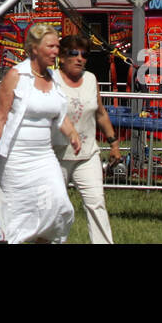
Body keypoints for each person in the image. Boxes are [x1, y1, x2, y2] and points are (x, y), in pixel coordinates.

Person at [0, 24, 81, 243]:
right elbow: (0, 117)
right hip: (16, 158)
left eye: (58, 46)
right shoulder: (17, 75)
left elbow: (59, 115)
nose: (56, 51)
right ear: (35, 48)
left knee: (59, 205)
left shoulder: (54, 78)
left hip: (43, 156)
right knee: (16, 215)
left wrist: (72, 133)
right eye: (51, 46)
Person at [55, 34, 121, 244]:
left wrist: (114, 143)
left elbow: (100, 113)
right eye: (73, 53)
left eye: (84, 54)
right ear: (61, 57)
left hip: (88, 155)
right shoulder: (51, 80)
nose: (79, 58)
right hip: (57, 155)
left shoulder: (91, 79)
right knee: (55, 207)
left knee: (96, 204)